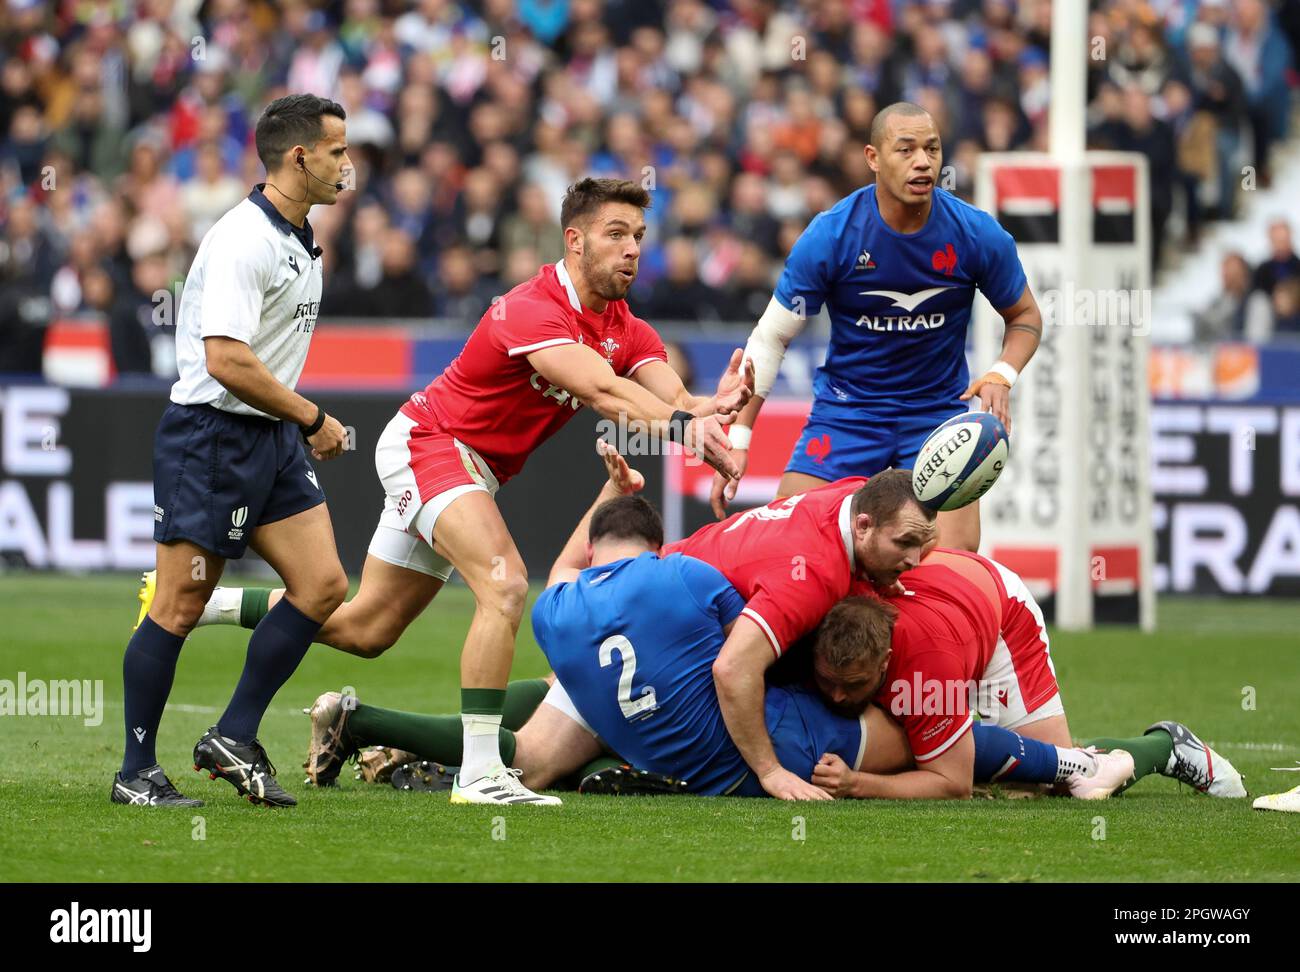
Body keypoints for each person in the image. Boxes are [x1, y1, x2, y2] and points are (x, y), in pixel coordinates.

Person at [151, 177, 754, 807]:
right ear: (574, 242)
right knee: (505, 582)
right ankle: (481, 772)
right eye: (616, 234)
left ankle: (206, 604)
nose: (632, 249)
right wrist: (689, 430)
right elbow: (604, 393)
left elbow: (676, 399)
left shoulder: (627, 328)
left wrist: (716, 407)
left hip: (465, 466)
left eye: (638, 236)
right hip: (430, 443)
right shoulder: (535, 306)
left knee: (366, 629)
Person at [302, 445, 1129, 801]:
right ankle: (1088, 763)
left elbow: (568, 573)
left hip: (631, 604)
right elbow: (737, 669)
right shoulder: (811, 574)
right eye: (910, 546)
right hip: (682, 642)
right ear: (869, 530)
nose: (918, 561)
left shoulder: (841, 503)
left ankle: (360, 717)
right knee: (897, 733)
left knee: (540, 760)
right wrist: (770, 772)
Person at [113, 94, 354, 809]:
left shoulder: (299, 237)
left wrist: (291, 424)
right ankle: (134, 772)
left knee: (323, 585)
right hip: (213, 435)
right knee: (180, 603)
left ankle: (233, 734)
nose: (348, 165)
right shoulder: (244, 239)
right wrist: (311, 416)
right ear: (299, 157)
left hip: (267, 436)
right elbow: (224, 359)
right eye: (338, 151)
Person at [710, 101, 1043, 552]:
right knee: (787, 554)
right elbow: (771, 339)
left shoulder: (976, 234)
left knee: (953, 572)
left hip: (937, 416)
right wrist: (740, 438)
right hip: (849, 413)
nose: (923, 161)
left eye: (932, 149)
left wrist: (1003, 374)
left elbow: (1024, 316)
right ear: (873, 158)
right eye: (905, 150)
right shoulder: (832, 236)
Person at [807, 550, 1247, 800]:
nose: (838, 697)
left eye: (854, 685)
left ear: (884, 662)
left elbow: (951, 783)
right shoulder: (818, 613)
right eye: (828, 681)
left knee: (1058, 779)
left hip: (1001, 618)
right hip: (950, 601)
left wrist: (857, 784)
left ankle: (1163, 747)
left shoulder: (926, 671)